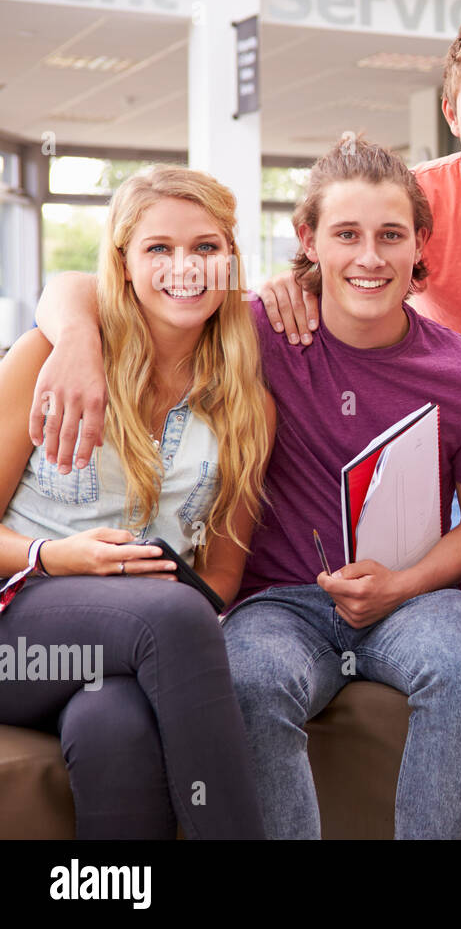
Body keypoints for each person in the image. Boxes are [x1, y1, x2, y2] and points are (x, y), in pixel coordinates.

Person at [31, 136, 461, 840]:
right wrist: (74, 334)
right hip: (279, 602)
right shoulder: (254, 332)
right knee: (248, 681)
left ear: (419, 244)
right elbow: (89, 282)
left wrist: (402, 586)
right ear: (308, 240)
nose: (369, 258)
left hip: (418, 598)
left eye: (390, 236)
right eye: (346, 234)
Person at [28, 5, 461, 474]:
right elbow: (94, 288)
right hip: (441, 443)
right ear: (451, 112)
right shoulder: (407, 198)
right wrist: (81, 341)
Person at [0, 166, 272, 838]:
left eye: (207, 248)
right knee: (174, 617)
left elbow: (219, 581)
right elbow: (184, 612)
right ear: (122, 264)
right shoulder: (48, 357)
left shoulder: (247, 405)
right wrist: (52, 557)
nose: (186, 267)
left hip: (127, 649)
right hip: (15, 625)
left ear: (231, 261)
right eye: (159, 248)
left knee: (112, 727)